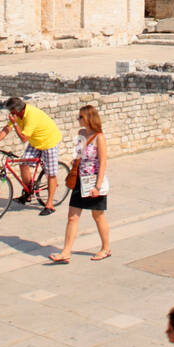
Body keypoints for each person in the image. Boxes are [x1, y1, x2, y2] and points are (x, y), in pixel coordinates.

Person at [49, 104, 110, 263]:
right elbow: (78, 153)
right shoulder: (81, 133)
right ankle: (66, 252)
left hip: (93, 181)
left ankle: (105, 248)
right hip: (79, 180)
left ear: (89, 118)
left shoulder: (99, 137)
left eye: (81, 117)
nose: (78, 119)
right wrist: (75, 162)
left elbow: (103, 162)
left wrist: (97, 186)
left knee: (97, 215)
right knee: (72, 217)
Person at [0, 96, 62, 215]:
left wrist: (15, 124)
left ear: (17, 110)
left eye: (12, 112)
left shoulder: (31, 116)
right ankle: (28, 193)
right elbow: (7, 128)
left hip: (50, 142)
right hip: (35, 141)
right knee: (23, 164)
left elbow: (23, 138)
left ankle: (50, 204)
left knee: (51, 173)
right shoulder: (18, 114)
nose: (11, 114)